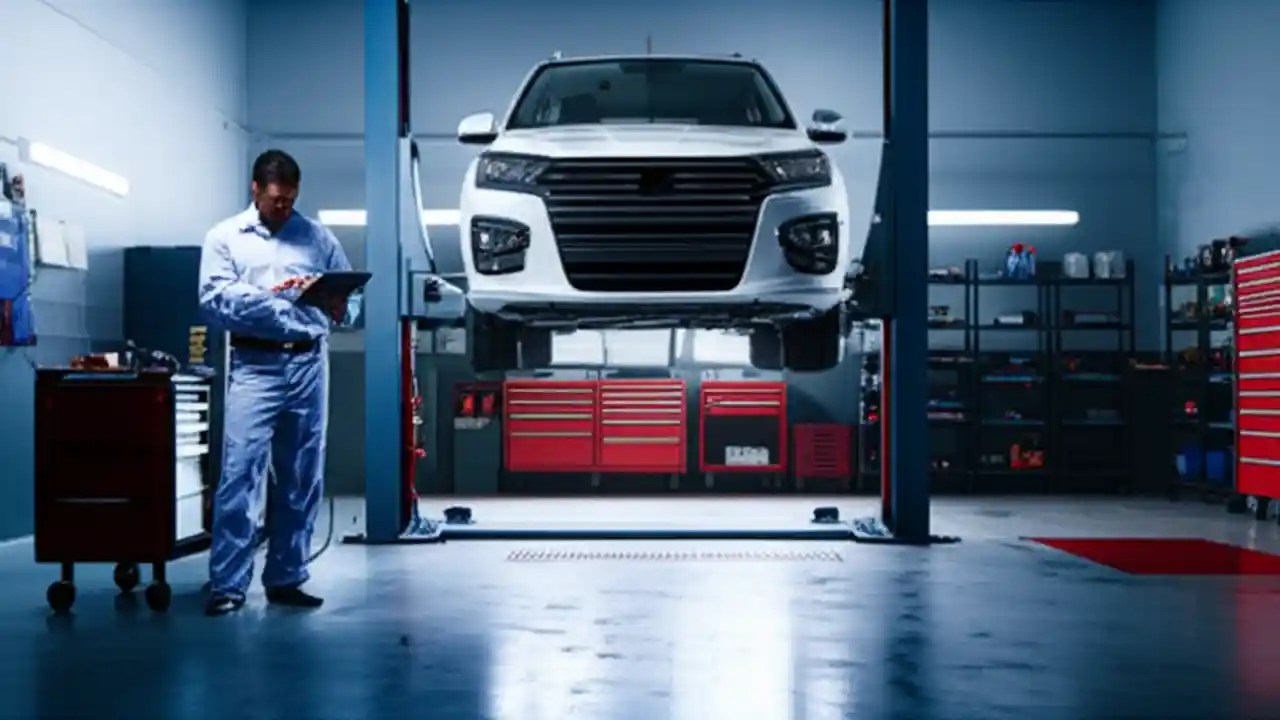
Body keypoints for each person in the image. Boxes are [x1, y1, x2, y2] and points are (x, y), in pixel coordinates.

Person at [198, 149, 357, 617]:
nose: (283, 208)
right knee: (239, 474)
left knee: (301, 476)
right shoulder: (224, 237)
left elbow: (350, 301)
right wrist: (278, 300)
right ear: (255, 190)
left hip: (309, 365)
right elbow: (213, 299)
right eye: (275, 200)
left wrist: (337, 305)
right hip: (254, 365)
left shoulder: (319, 238)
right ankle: (228, 584)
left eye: (289, 200)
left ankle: (287, 577)